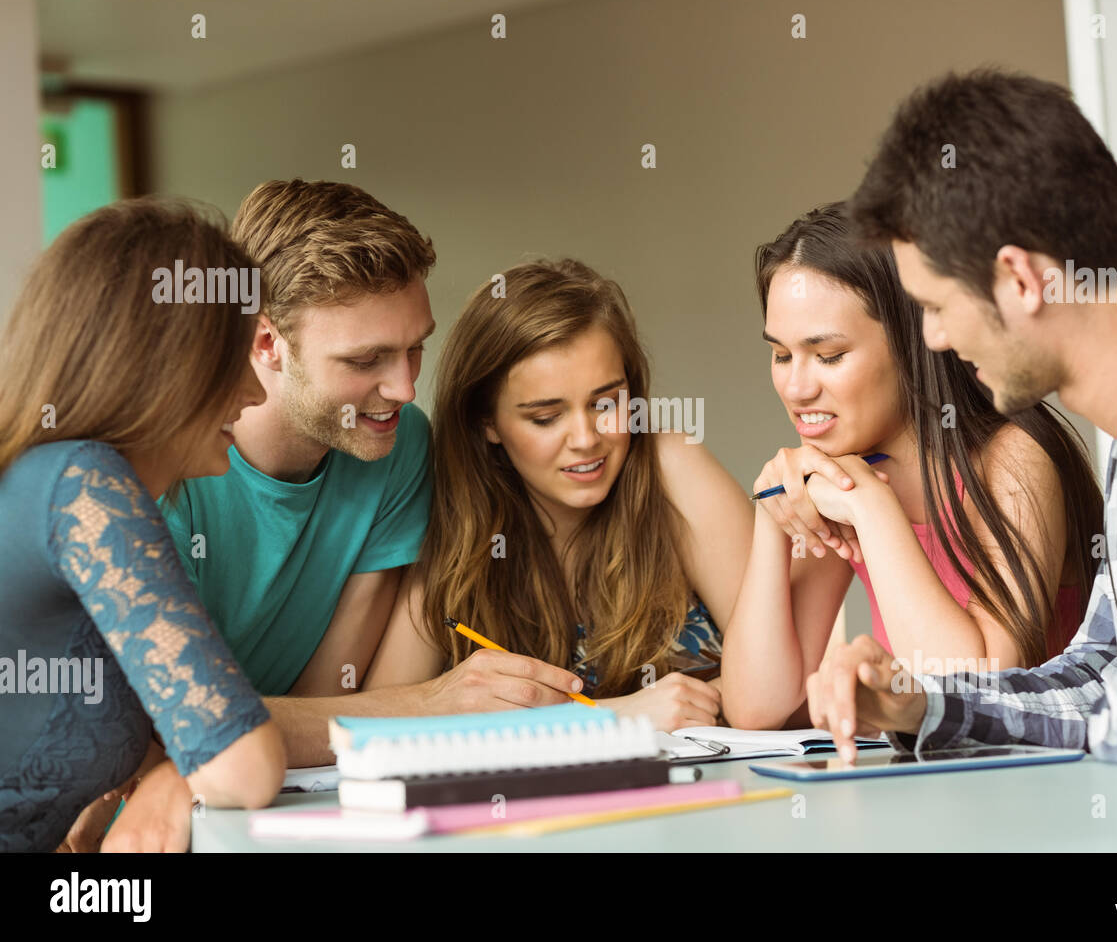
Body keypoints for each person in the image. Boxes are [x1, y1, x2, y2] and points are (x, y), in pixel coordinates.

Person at [806, 69, 1117, 770]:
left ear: (1022, 279)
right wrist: (922, 704)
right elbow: (1107, 678)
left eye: (938, 307)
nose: (937, 340)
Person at [723, 203, 1103, 730]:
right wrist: (773, 514)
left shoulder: (1013, 456)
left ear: (912, 340)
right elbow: (757, 710)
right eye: (782, 355)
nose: (796, 388)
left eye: (828, 355)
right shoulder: (838, 475)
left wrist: (875, 511)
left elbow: (975, 687)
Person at [0, 198, 285, 852]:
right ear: (169, 363)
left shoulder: (53, 478)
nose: (256, 391)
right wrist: (185, 776)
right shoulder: (82, 483)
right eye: (231, 358)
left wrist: (165, 772)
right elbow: (244, 769)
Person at [366, 259, 755, 731]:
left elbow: (790, 676)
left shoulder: (671, 467)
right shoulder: (457, 524)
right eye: (546, 417)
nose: (587, 439)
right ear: (486, 423)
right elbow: (378, 720)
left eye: (606, 403)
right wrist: (611, 717)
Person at [157, 179, 443, 770]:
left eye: (415, 348)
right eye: (366, 360)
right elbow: (183, 733)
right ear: (267, 342)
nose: (405, 388)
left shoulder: (398, 442)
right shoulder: (164, 470)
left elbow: (327, 702)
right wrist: (439, 704)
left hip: (281, 791)